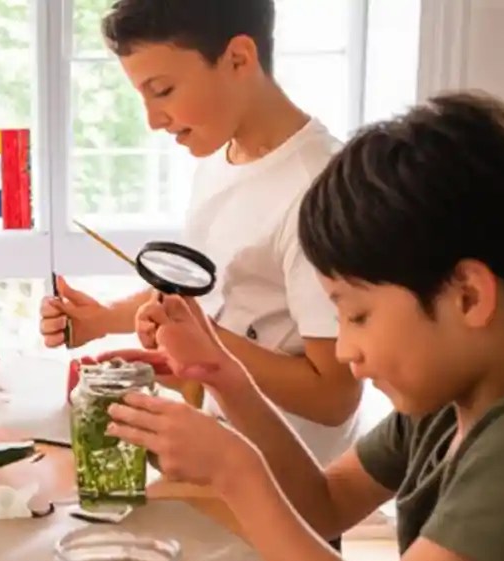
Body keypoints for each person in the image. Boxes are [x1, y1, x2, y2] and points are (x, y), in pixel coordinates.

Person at [103, 91, 504, 561]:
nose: (348, 349)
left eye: (357, 315)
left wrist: (235, 472)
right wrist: (232, 381)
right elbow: (324, 501)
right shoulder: (444, 407)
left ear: (467, 296)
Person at [41, 0, 362, 467]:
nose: (152, 120)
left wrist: (206, 343)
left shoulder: (319, 190)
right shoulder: (220, 154)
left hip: (291, 491)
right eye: (142, 96)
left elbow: (334, 400)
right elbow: (209, 295)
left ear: (238, 59)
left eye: (163, 90)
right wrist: (102, 318)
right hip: (220, 456)